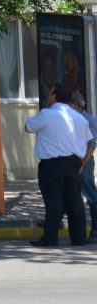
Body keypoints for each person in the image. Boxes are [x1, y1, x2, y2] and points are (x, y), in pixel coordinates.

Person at [25, 84, 93, 247]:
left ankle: (50, 237)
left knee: (53, 200)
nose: (48, 96)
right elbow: (87, 140)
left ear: (54, 96)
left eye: (50, 93)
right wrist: (82, 162)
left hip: (52, 164)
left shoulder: (46, 114)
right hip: (73, 162)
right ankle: (78, 237)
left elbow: (28, 127)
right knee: (74, 201)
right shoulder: (79, 118)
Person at [68, 92, 97, 242]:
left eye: (70, 104)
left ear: (75, 105)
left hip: (84, 162)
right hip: (74, 161)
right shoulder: (74, 119)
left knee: (91, 196)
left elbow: (91, 145)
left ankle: (96, 230)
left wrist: (82, 164)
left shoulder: (88, 120)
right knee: (72, 194)